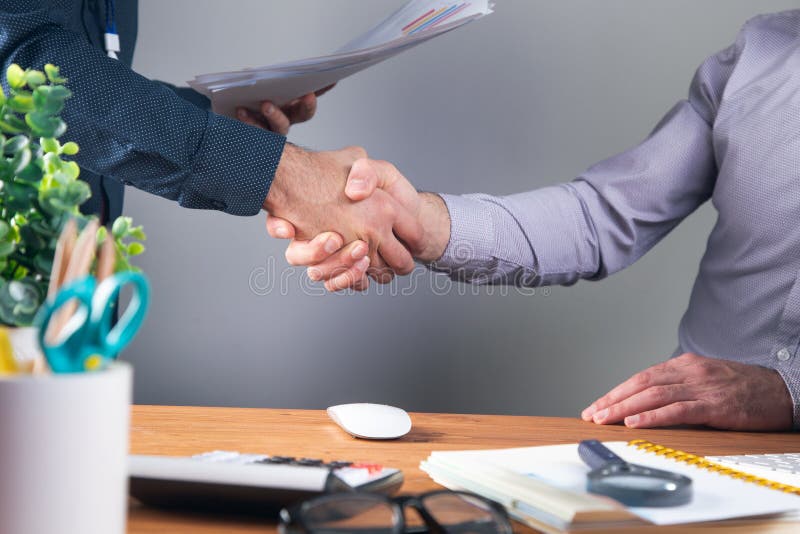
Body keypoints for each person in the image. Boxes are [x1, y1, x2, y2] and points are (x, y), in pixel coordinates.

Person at [267, 10, 800, 432]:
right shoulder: (762, 52)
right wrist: (413, 219)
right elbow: (600, 217)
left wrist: (787, 392)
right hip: (693, 439)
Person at [2, 0, 420, 280]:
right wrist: (280, 175)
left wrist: (226, 118)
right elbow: (24, 65)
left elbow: (89, 82)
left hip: (75, 300)